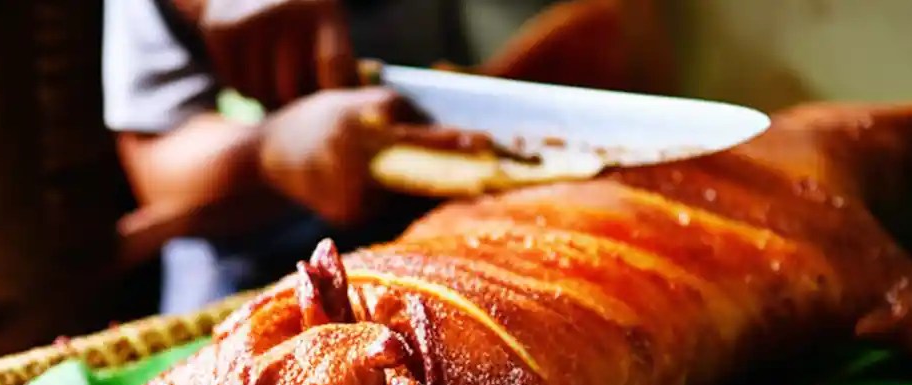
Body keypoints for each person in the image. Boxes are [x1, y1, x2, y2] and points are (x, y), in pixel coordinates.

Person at [101, 0, 663, 314]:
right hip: (241, 298)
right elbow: (158, 165)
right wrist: (266, 152)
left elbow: (602, 41)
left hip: (447, 269)